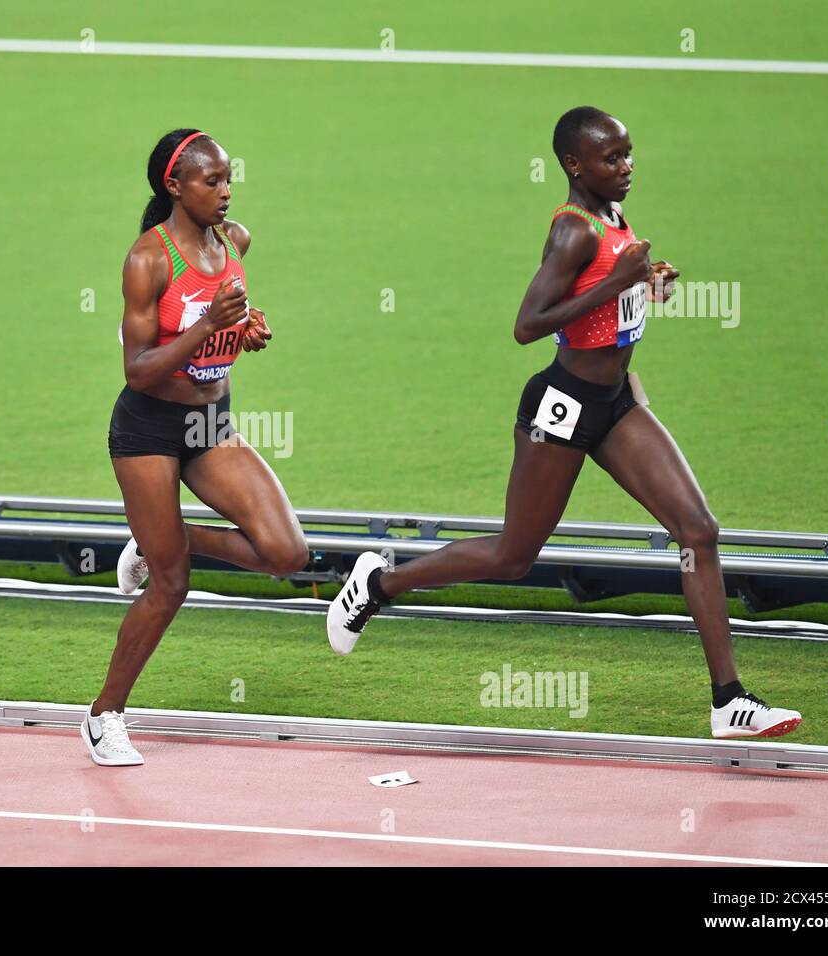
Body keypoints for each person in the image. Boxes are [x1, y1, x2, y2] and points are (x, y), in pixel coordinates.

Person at [327, 107, 801, 741]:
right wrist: (618, 284)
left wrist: (647, 284)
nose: (626, 166)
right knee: (513, 557)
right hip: (565, 402)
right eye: (612, 159)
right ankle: (379, 583)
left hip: (615, 405)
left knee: (697, 529)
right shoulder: (572, 230)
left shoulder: (611, 215)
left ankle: (729, 700)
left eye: (629, 154)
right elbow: (528, 325)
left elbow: (608, 295)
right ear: (576, 166)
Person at [83, 129, 308, 766]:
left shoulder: (234, 243)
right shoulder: (148, 261)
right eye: (212, 181)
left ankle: (154, 543)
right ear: (173, 187)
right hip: (148, 430)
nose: (226, 191)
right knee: (172, 584)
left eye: (229, 178)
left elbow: (226, 321)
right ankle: (105, 715)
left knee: (286, 551)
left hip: (210, 426)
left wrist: (246, 329)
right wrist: (211, 324)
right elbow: (139, 368)